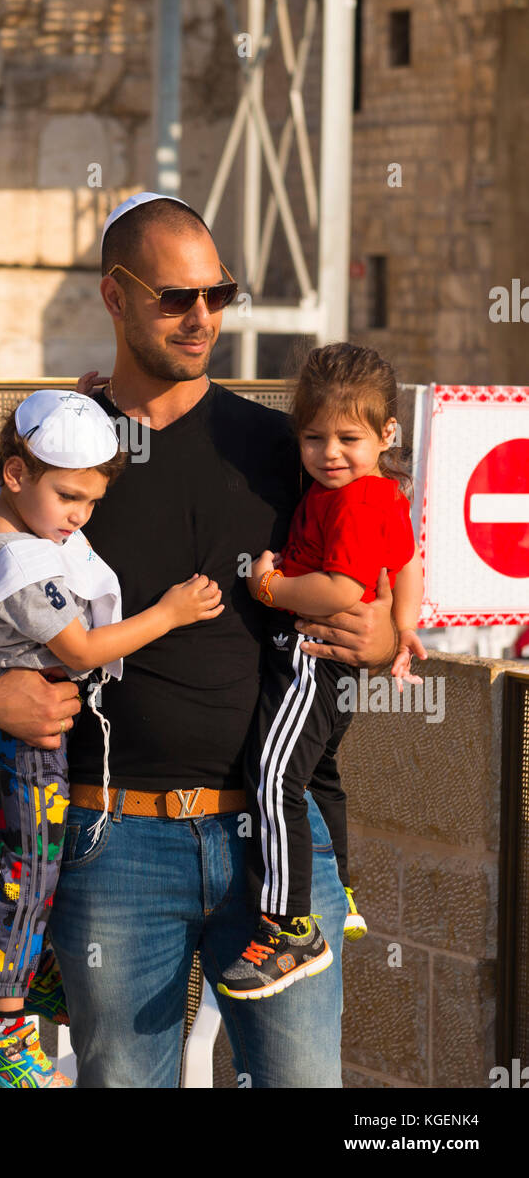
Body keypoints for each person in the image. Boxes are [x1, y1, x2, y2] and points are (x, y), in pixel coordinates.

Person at [0, 192, 400, 1088]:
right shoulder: (62, 457)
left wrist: (385, 630)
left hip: (273, 846)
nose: (201, 316)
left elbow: (379, 577)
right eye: (174, 296)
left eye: (217, 294)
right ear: (113, 296)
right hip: (109, 845)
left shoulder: (282, 447)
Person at [0, 389, 223, 1087]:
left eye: (91, 501)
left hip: (21, 726)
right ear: (19, 473)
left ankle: (34, 975)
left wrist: (74, 402)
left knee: (43, 861)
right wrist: (171, 613)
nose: (79, 517)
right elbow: (85, 649)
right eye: (67, 497)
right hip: (35, 738)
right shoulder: (23, 569)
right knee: (32, 872)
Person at [218, 342, 425, 1002]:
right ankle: (342, 889)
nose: (329, 453)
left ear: (386, 434)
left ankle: (287, 926)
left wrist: (269, 587)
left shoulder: (352, 502)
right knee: (318, 774)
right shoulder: (381, 493)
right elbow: (408, 562)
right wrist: (405, 626)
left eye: (347, 438)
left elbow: (338, 590)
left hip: (310, 660)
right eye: (313, 438)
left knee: (273, 775)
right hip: (334, 672)